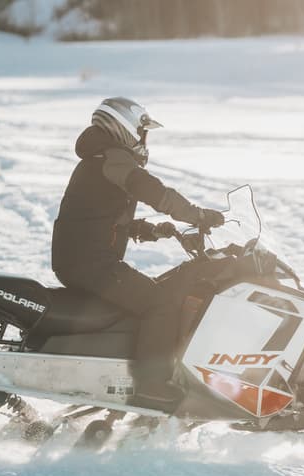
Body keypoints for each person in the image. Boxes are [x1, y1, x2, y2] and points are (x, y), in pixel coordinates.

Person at [51, 97, 224, 407]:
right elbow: (154, 191)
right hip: (91, 264)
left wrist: (153, 230)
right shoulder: (113, 159)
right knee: (160, 302)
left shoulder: (99, 158)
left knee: (150, 296)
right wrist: (196, 215)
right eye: (143, 133)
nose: (145, 141)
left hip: (80, 259)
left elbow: (100, 216)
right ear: (125, 129)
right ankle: (152, 386)